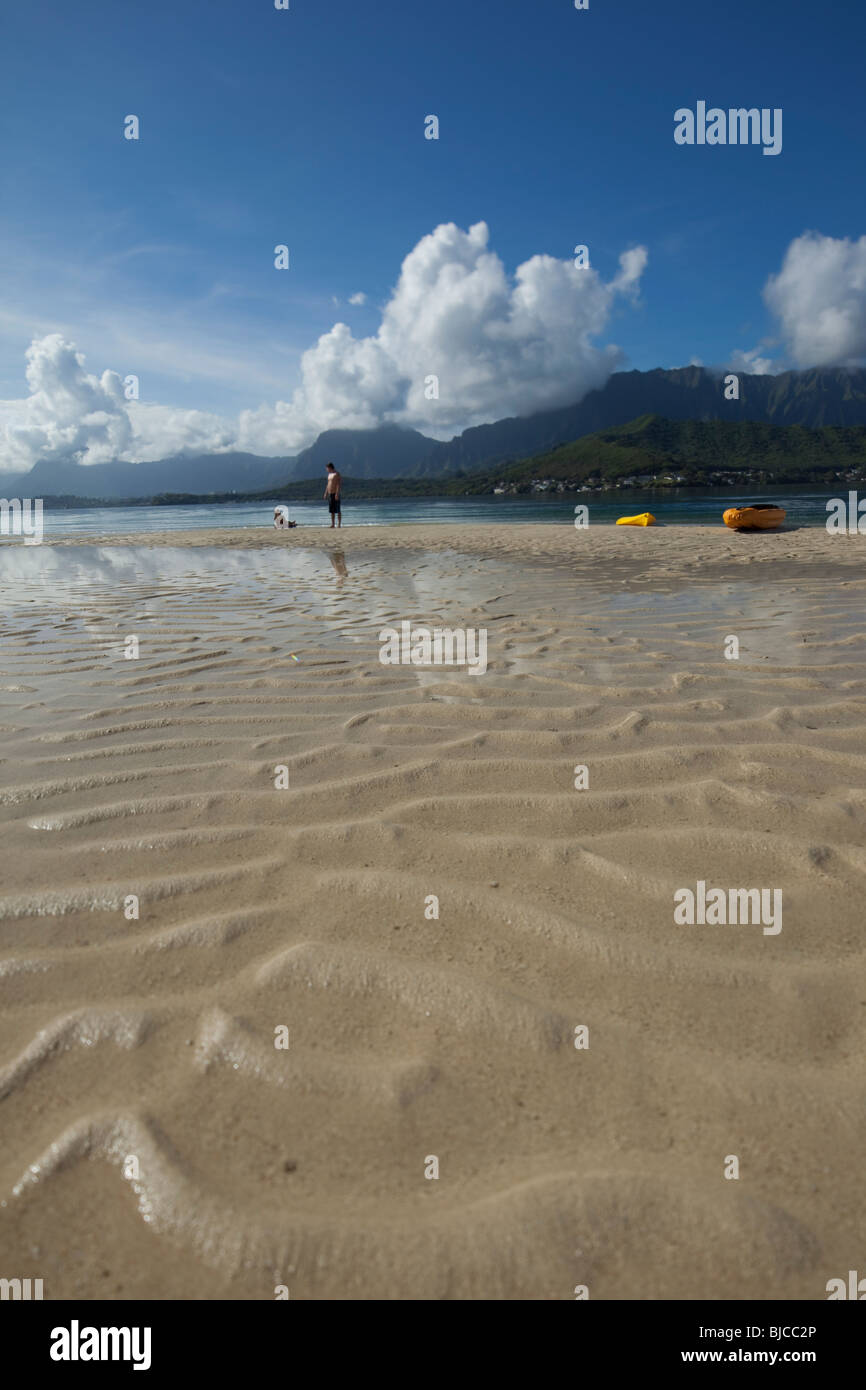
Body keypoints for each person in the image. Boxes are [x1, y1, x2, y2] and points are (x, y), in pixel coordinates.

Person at [324, 462, 342, 528]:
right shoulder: (329, 475)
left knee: (338, 509)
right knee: (332, 510)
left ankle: (339, 524)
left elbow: (338, 484)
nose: (326, 469)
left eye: (327, 468)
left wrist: (337, 493)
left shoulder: (336, 474)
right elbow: (328, 484)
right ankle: (333, 524)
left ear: (330, 467)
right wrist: (325, 493)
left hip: (335, 493)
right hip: (330, 493)